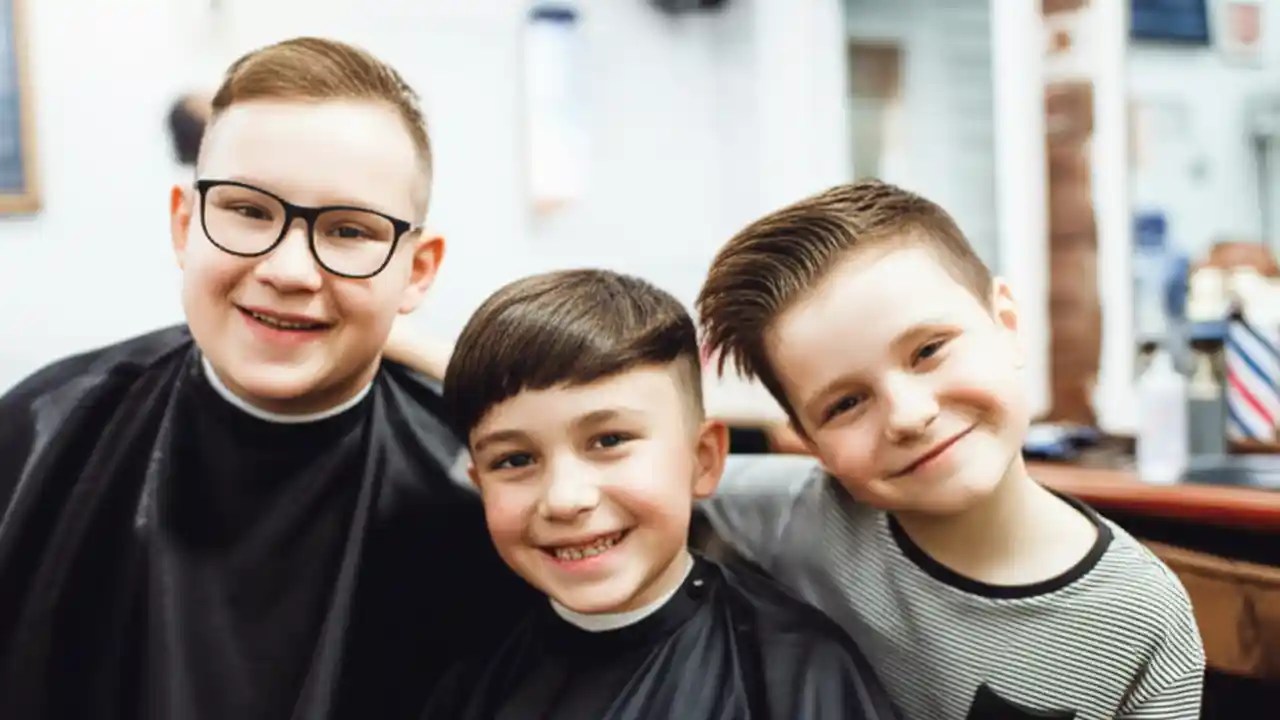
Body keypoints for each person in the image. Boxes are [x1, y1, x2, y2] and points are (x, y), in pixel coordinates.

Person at [0, 37, 536, 720]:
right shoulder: (37, 437)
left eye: (348, 231)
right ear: (184, 225)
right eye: (250, 212)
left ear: (418, 270)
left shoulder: (487, 492)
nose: (289, 270)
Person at [694, 180, 1206, 719]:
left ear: (1006, 325)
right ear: (808, 441)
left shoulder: (1143, 618)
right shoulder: (801, 516)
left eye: (929, 350)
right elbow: (669, 483)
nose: (909, 416)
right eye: (845, 404)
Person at [420, 269, 899, 719]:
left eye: (609, 441)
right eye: (515, 460)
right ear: (478, 482)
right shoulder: (472, 681)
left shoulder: (792, 674)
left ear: (703, 459)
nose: (565, 499)